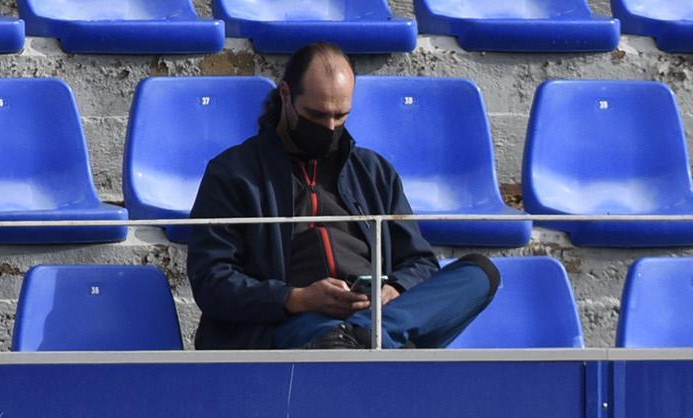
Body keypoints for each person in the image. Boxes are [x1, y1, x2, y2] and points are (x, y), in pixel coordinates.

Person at [185, 42, 499, 352]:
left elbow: (419, 261)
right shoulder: (234, 173)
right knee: (328, 333)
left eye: (341, 116)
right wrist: (294, 298)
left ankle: (365, 334)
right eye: (317, 115)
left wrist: (394, 288)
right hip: (290, 322)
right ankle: (371, 337)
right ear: (285, 96)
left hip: (375, 314)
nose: (330, 127)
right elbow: (212, 281)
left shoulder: (373, 171)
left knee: (479, 274)